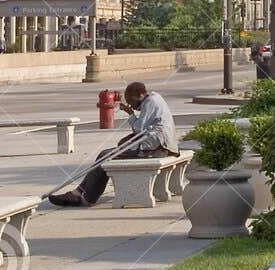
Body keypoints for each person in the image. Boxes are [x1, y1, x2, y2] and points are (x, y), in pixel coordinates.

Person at [48, 82, 178, 208]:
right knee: (106, 154)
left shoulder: (149, 103)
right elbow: (145, 129)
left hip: (156, 149)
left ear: (140, 95)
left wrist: (131, 114)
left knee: (106, 155)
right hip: (158, 146)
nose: (131, 105)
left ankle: (87, 197)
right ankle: (79, 193)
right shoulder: (155, 98)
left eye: (131, 101)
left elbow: (139, 129)